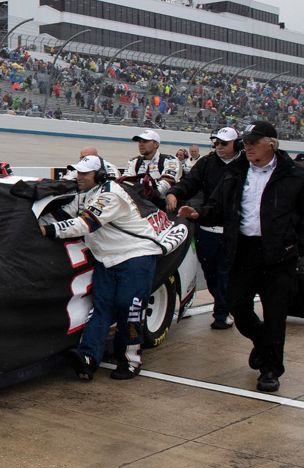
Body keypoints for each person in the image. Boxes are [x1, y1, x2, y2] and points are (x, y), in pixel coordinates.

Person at [179, 121, 304, 393]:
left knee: (274, 315)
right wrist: (201, 213)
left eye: (253, 141)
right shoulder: (235, 172)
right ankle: (263, 343)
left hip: (279, 256)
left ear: (271, 143)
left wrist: (296, 248)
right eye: (245, 141)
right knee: (237, 305)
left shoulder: (295, 175)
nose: (247, 146)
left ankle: (271, 369)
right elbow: (218, 206)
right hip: (243, 250)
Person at [40, 155, 165, 381]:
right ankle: (88, 357)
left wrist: (48, 231)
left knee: (130, 309)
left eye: (84, 173)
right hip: (107, 260)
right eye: (77, 172)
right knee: (101, 308)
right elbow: (64, 214)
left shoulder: (111, 194)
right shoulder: (87, 195)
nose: (79, 177)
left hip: (135, 256)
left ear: (98, 175)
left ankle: (131, 360)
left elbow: (85, 224)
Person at [166, 127, 241, 330]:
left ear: (237, 144)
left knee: (226, 273)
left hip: (234, 230)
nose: (218, 147)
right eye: (215, 143)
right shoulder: (207, 162)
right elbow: (190, 183)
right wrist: (173, 192)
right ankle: (224, 306)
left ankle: (222, 313)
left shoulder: (245, 165)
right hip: (207, 227)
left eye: (223, 143)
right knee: (210, 273)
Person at [122, 129, 180, 204]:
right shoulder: (133, 161)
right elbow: (126, 182)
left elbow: (166, 183)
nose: (141, 144)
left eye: (145, 141)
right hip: (137, 204)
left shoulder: (170, 160)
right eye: (139, 141)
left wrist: (143, 192)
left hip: (160, 204)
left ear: (156, 144)